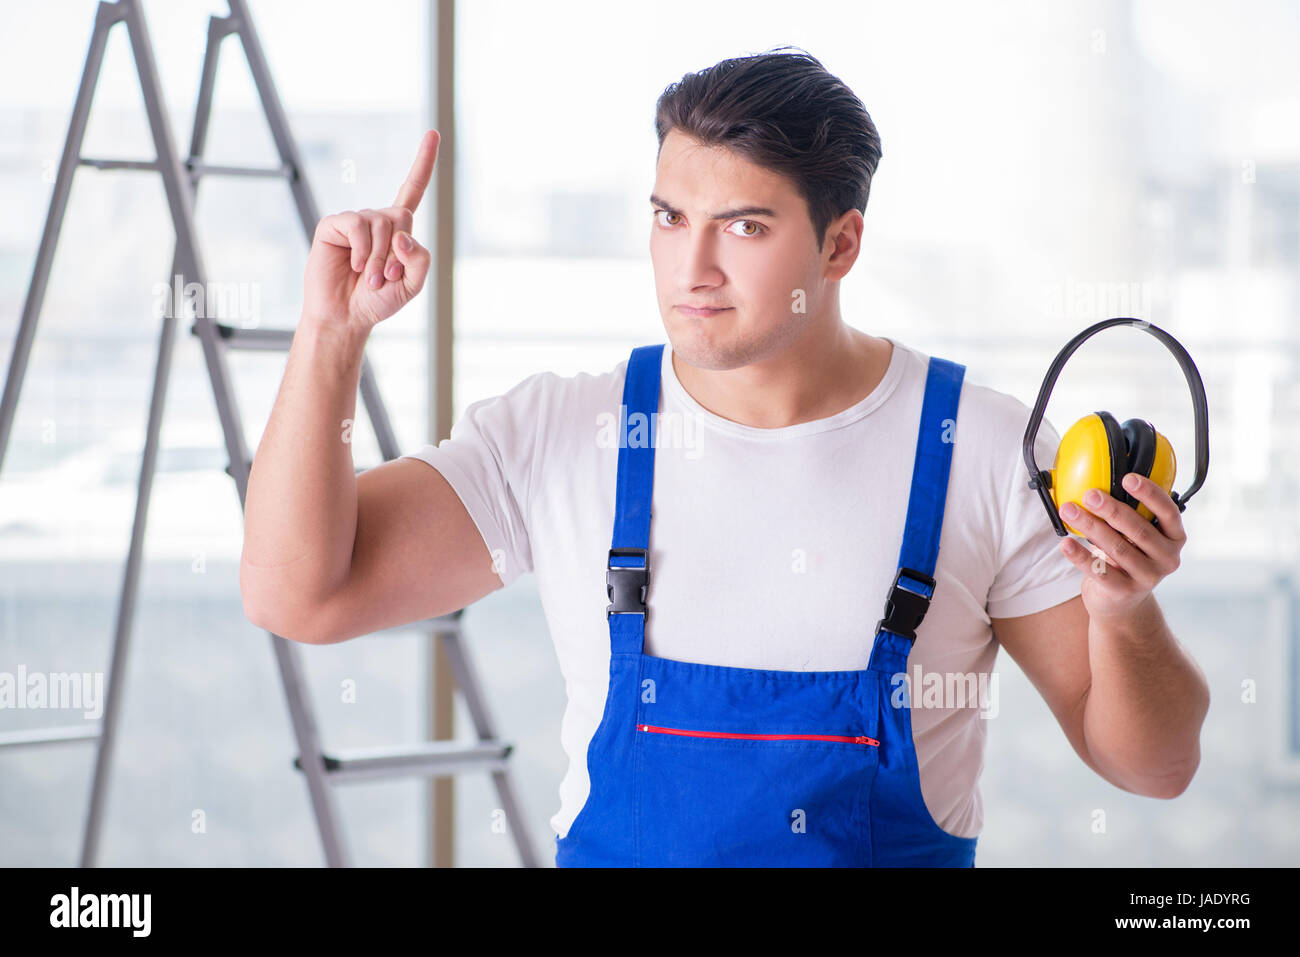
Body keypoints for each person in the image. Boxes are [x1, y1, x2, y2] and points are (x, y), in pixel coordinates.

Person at [240, 48, 1209, 867]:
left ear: (840, 246)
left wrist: (1122, 616)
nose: (691, 270)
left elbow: (1150, 764)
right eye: (669, 218)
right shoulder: (563, 434)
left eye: (743, 227)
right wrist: (331, 334)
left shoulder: (981, 451)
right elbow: (301, 598)